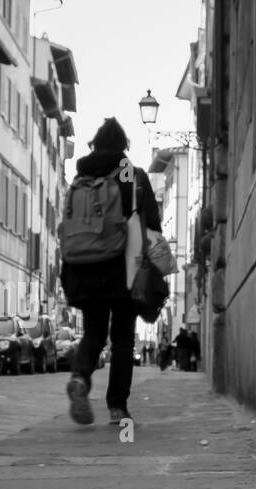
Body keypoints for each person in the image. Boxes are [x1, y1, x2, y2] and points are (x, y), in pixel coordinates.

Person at [61, 117, 162, 426]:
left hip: (85, 267)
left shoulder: (80, 179)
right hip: (123, 267)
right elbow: (152, 224)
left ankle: (80, 377)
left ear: (95, 145)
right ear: (123, 146)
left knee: (93, 332)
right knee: (121, 339)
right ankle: (117, 407)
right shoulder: (132, 174)